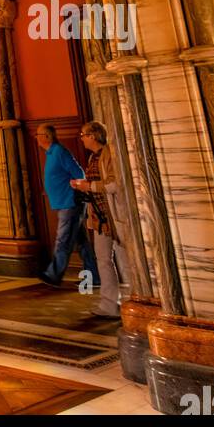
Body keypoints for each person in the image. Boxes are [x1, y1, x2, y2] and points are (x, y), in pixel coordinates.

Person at [71, 120, 127, 319]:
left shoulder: (108, 154)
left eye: (83, 135)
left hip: (115, 215)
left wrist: (89, 186)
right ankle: (110, 303)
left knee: (125, 259)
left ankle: (133, 302)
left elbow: (115, 183)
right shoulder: (93, 157)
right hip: (98, 216)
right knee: (103, 259)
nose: (82, 139)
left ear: (93, 136)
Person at [36, 123, 98, 287]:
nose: (36, 137)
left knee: (62, 240)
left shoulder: (59, 152)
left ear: (47, 136)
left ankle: (54, 274)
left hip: (70, 203)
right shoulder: (51, 153)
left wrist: (76, 186)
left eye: (39, 134)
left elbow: (79, 173)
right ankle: (94, 277)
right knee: (82, 243)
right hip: (64, 203)